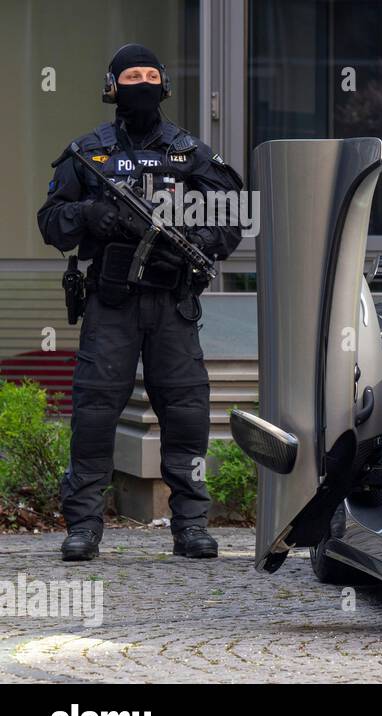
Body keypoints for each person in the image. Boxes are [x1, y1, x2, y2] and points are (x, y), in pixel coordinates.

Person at [37, 44, 244, 561]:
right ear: (113, 86)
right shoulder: (88, 153)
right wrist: (89, 216)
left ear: (165, 85)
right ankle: (83, 526)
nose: (143, 83)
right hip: (110, 304)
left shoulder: (190, 153)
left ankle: (191, 524)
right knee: (94, 412)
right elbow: (49, 222)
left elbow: (232, 218)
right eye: (133, 75)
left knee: (187, 412)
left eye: (152, 75)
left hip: (172, 305)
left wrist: (193, 242)